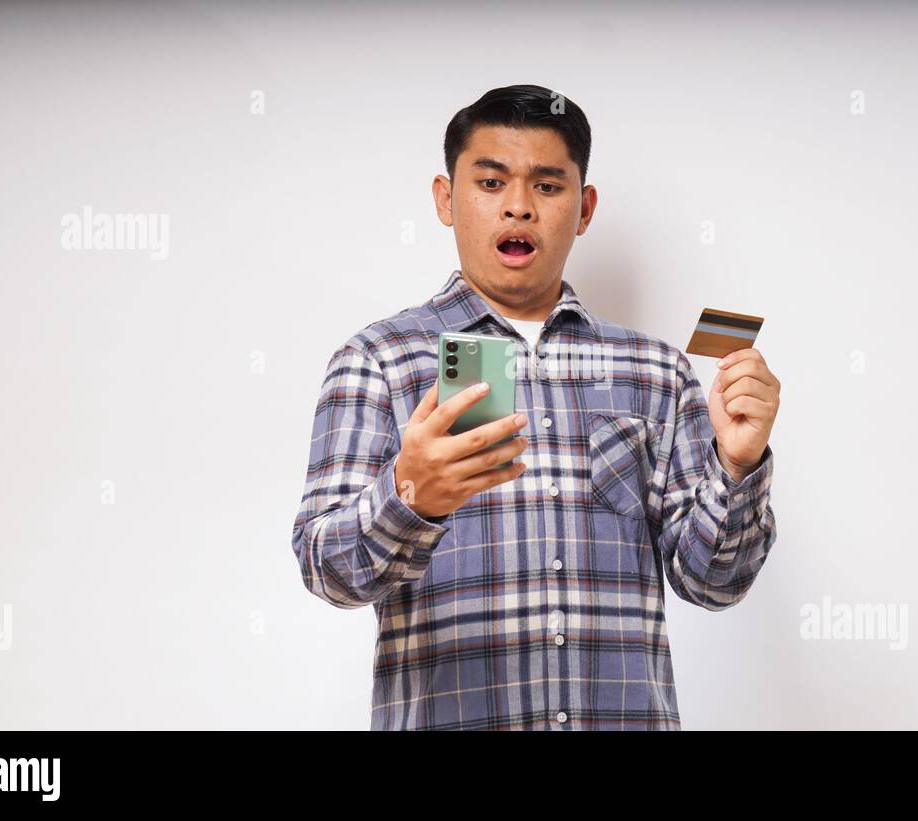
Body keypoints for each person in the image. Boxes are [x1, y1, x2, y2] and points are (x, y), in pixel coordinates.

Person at [291, 84, 782, 730]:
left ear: (583, 208)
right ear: (446, 198)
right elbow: (326, 570)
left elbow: (712, 582)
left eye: (547, 187)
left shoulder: (656, 371)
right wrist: (411, 495)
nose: (518, 207)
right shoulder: (379, 361)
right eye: (491, 183)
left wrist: (737, 466)